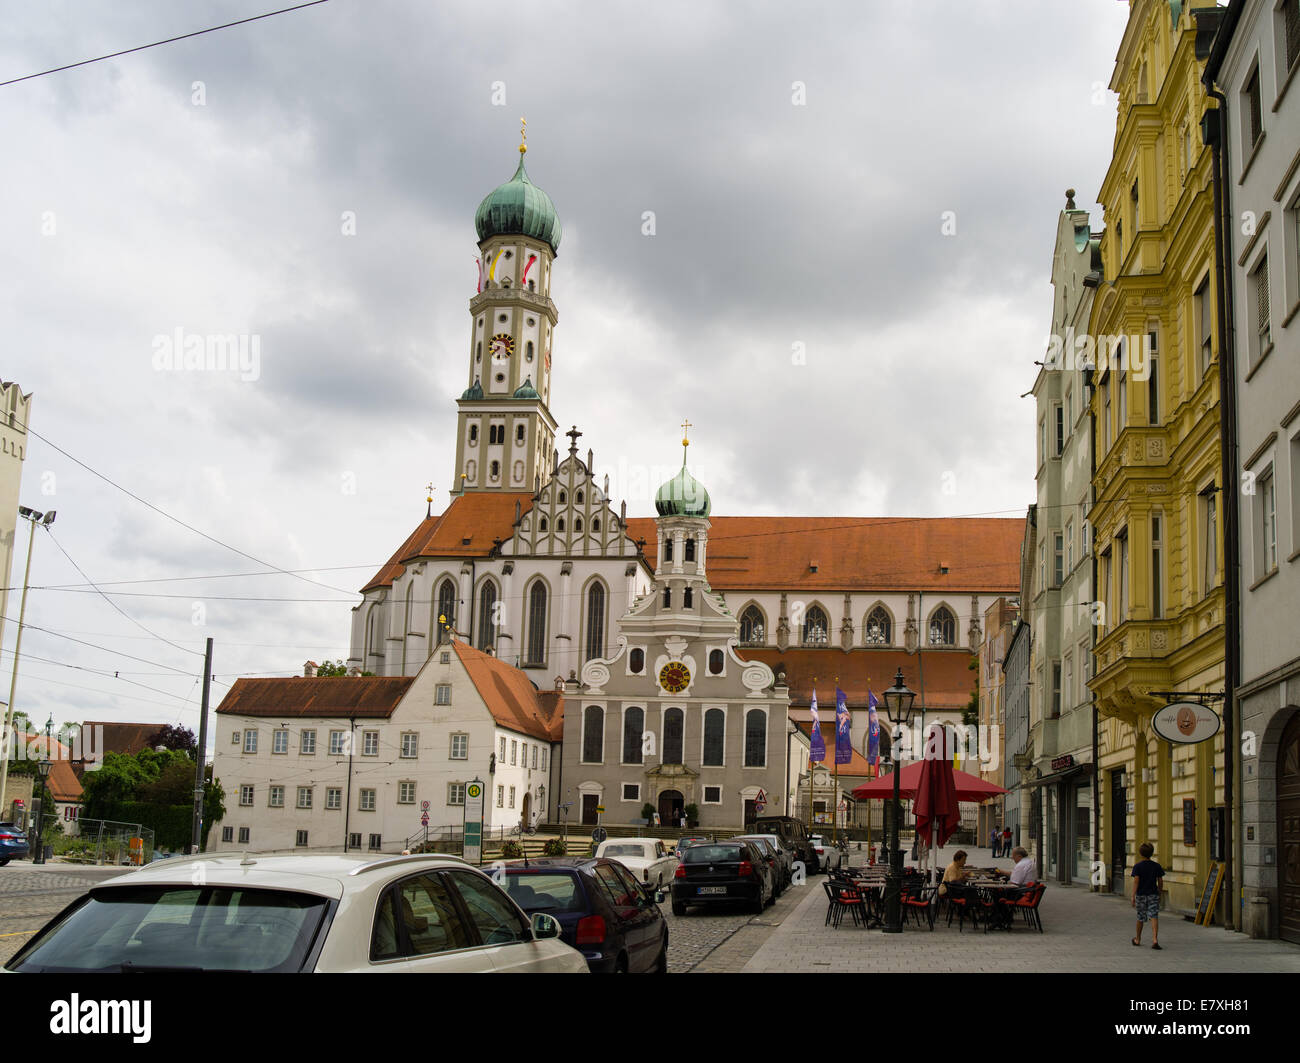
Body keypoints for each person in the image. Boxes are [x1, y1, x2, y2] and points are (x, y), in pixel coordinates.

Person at [1130, 842, 1164, 949]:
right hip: (1153, 894)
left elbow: (1136, 881)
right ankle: (1155, 939)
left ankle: (1138, 939)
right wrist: (1159, 891)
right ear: (1152, 853)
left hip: (1141, 895)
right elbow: (1160, 880)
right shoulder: (1156, 866)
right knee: (1153, 916)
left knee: (1140, 917)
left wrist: (1133, 895)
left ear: (1140, 853)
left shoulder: (1138, 867)